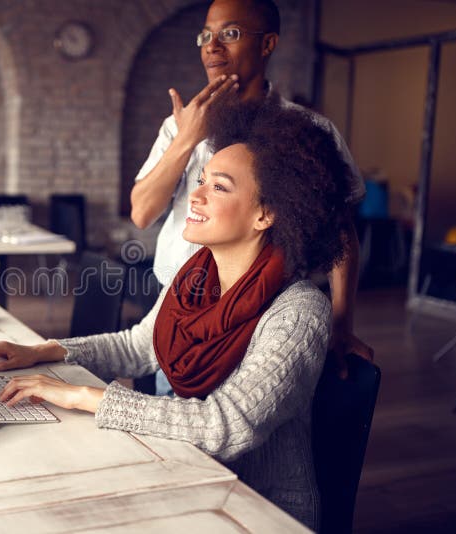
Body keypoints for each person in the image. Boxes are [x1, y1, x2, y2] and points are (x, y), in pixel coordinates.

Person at [0, 101, 353, 530]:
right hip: (186, 473)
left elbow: (226, 425)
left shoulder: (299, 312)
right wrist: (45, 351)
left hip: (254, 510)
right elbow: (137, 346)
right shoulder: (194, 279)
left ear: (266, 213)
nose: (195, 196)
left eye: (219, 187)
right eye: (200, 180)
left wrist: (82, 397)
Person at [129, 0, 372, 381]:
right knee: (170, 405)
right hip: (179, 310)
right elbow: (142, 213)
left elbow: (340, 232)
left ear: (267, 43)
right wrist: (187, 138)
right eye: (206, 35)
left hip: (263, 320)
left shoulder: (309, 132)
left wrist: (341, 323)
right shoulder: (178, 127)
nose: (212, 46)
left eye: (230, 33)